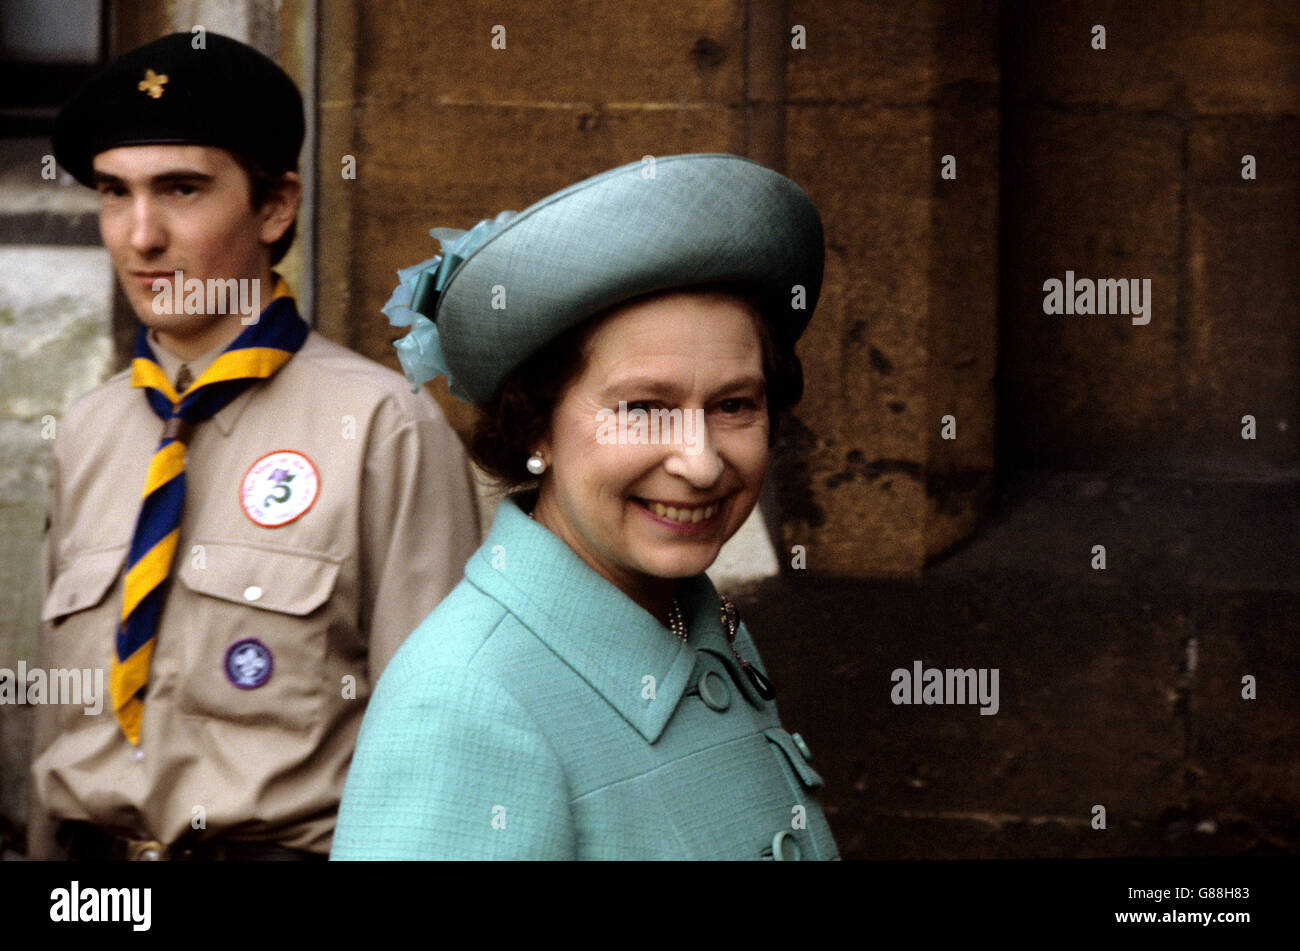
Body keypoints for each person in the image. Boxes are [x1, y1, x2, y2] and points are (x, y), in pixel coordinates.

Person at [28, 32, 481, 860]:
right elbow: (57, 731)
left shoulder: (383, 426)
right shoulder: (89, 429)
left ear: (276, 207)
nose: (139, 236)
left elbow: (435, 747)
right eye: (113, 192)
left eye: (181, 190)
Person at [332, 153, 839, 860]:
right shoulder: (465, 703)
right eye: (644, 408)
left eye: (733, 405)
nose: (699, 462)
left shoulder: (697, 623)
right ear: (536, 424)